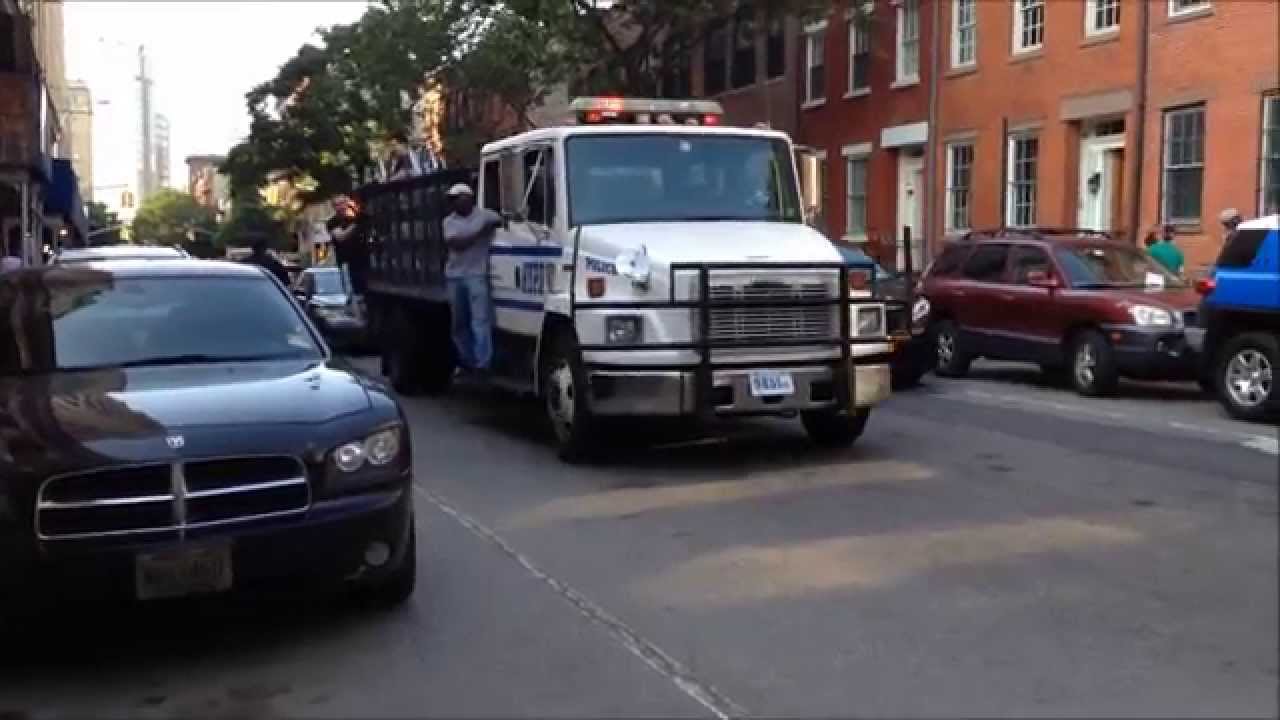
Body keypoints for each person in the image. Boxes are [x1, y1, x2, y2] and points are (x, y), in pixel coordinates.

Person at [443, 183, 504, 378]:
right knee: (459, 323)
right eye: (451, 199)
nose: (453, 203)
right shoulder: (448, 222)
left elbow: (502, 221)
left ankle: (482, 363)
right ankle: (467, 358)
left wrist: (488, 227)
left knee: (480, 320)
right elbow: (456, 243)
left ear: (468, 198)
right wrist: (480, 232)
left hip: (477, 274)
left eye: (456, 198)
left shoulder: (485, 215)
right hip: (455, 276)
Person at [327, 196, 370, 296]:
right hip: (346, 264)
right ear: (334, 207)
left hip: (362, 261)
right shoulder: (333, 222)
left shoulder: (354, 218)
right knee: (351, 292)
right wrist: (356, 224)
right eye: (337, 204)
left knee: (364, 291)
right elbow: (340, 237)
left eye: (342, 203)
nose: (341, 206)